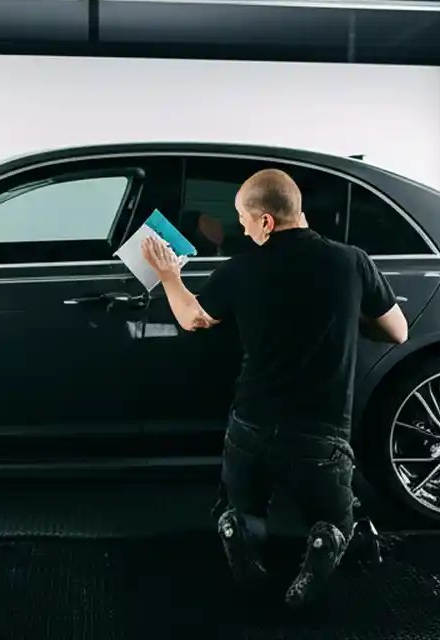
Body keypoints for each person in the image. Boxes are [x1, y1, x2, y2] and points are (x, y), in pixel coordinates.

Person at [140, 168, 408, 610]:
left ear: (266, 221)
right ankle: (323, 544)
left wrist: (168, 275)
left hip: (250, 430)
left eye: (243, 219)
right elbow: (396, 331)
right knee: (339, 519)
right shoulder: (352, 262)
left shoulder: (240, 269)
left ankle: (240, 529)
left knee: (242, 508)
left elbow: (194, 320)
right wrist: (343, 314)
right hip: (320, 439)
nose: (240, 228)